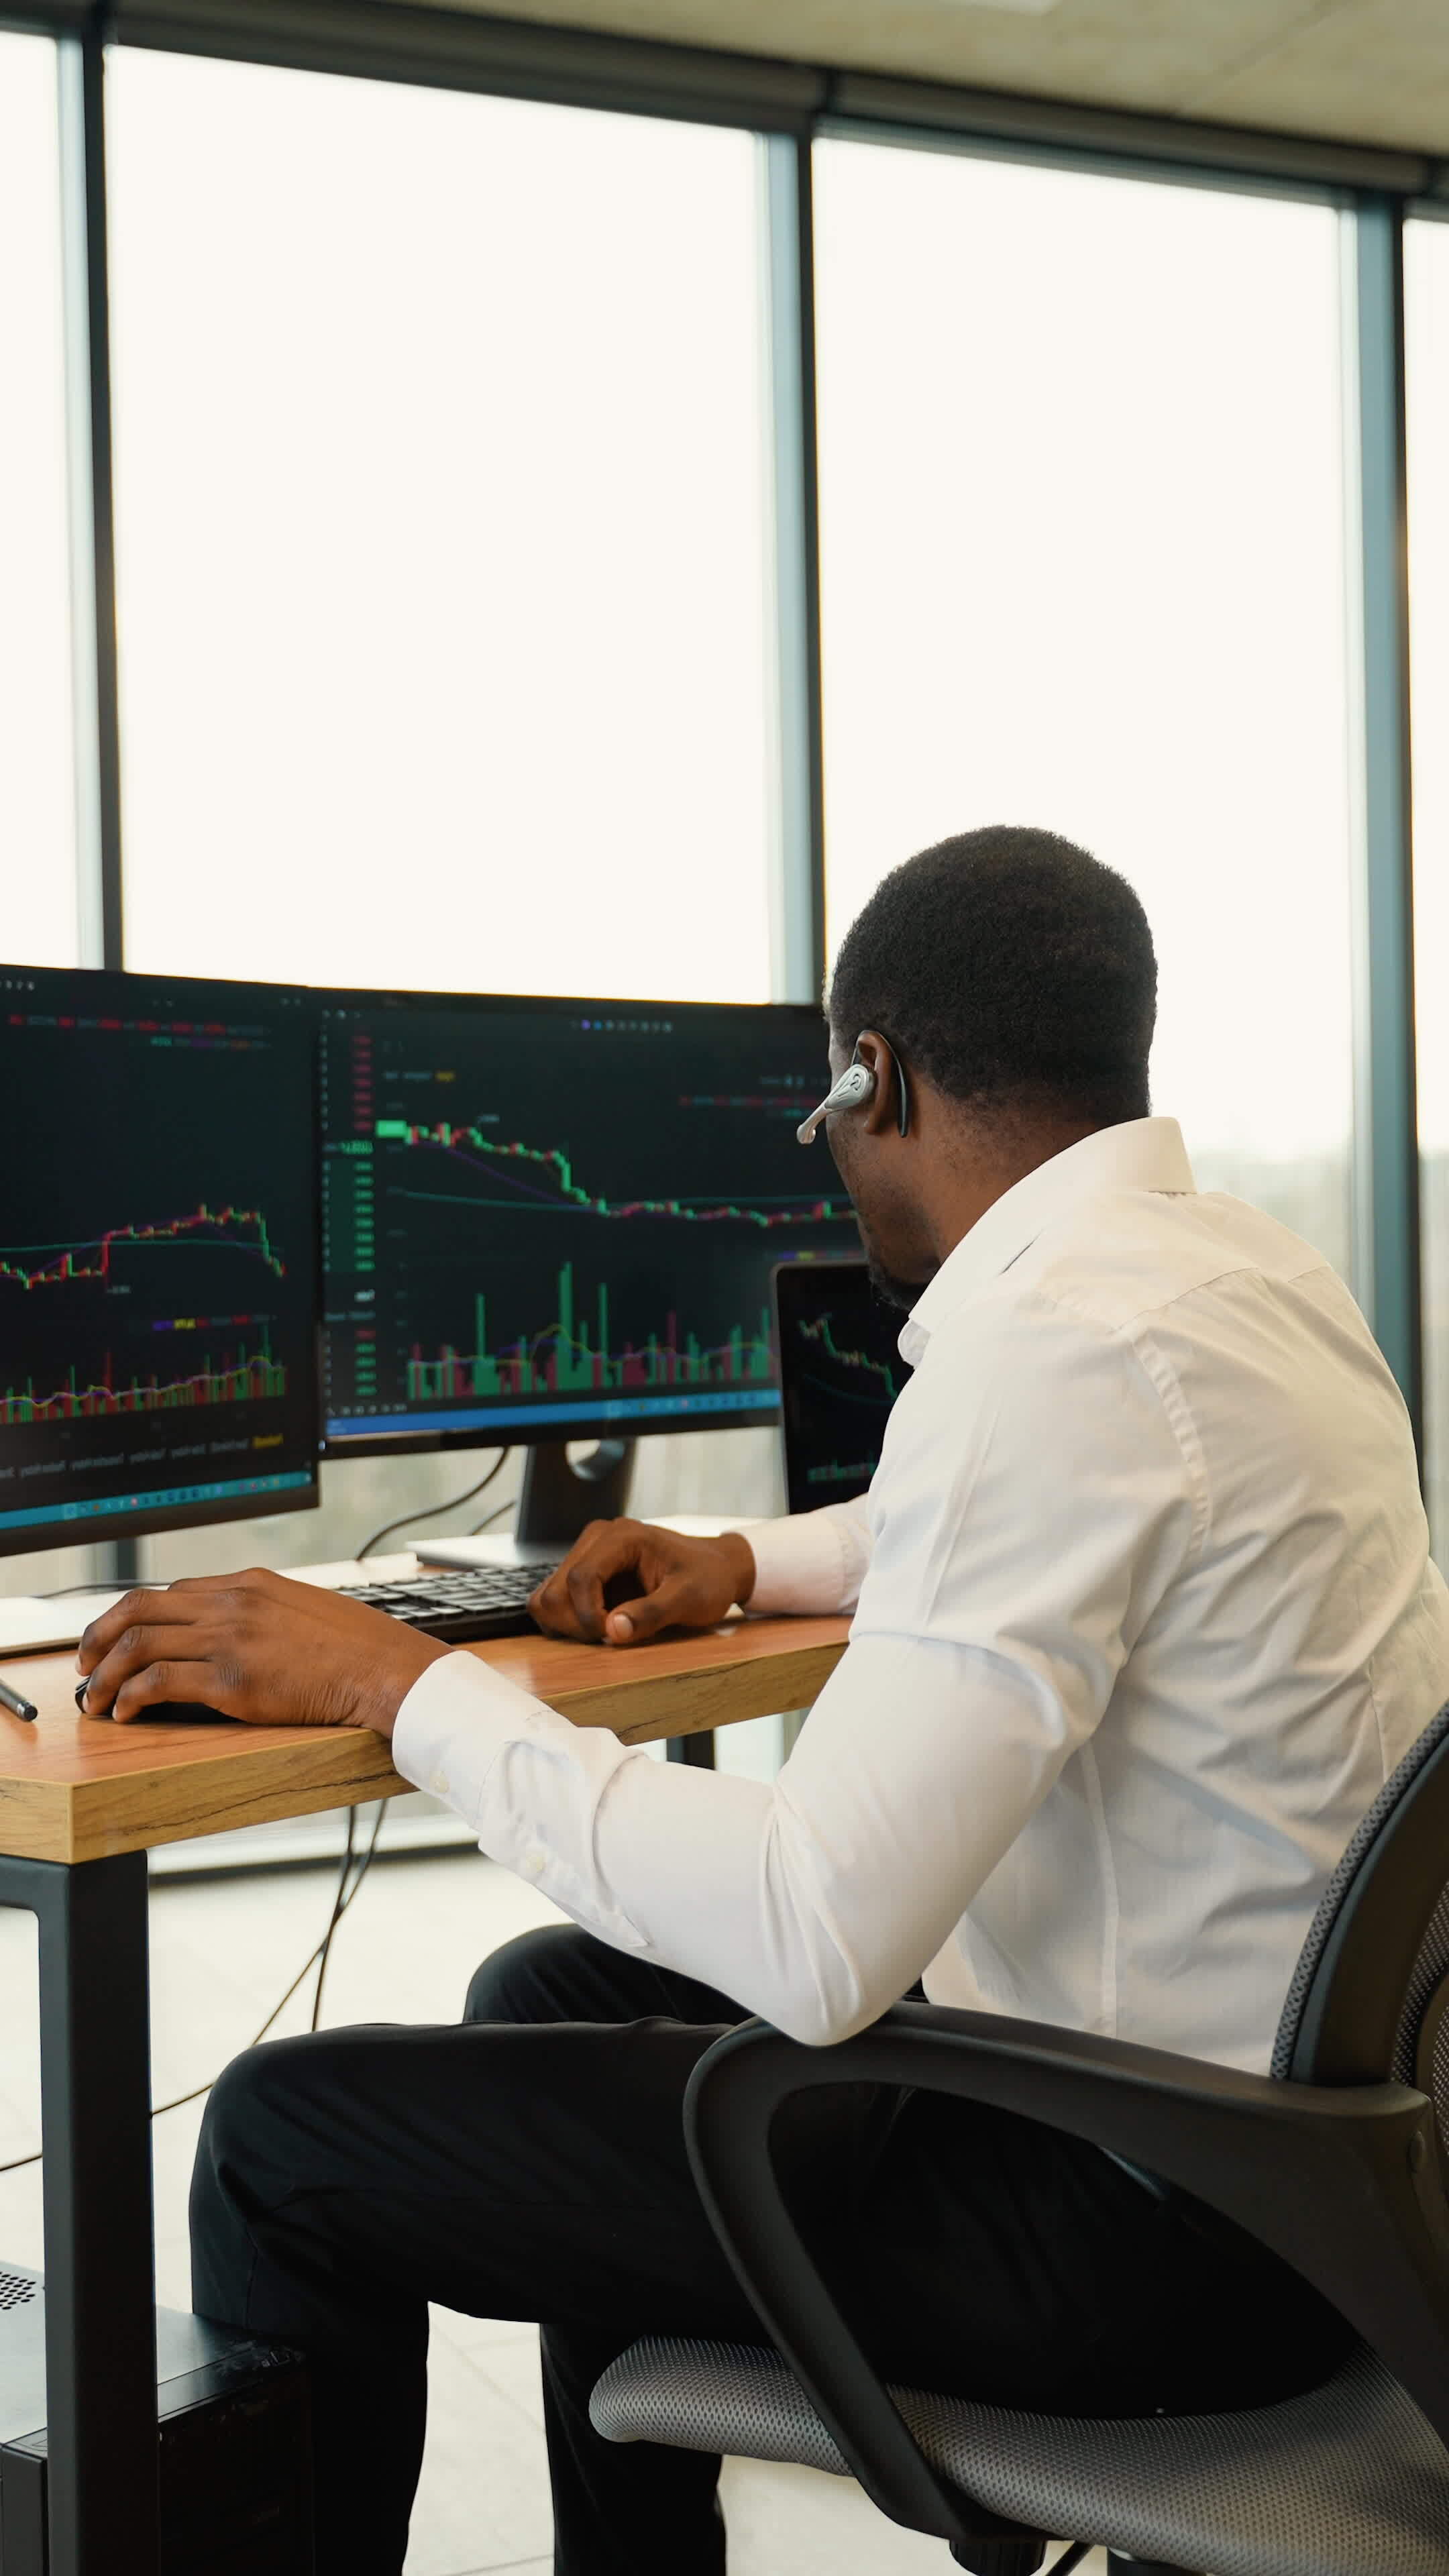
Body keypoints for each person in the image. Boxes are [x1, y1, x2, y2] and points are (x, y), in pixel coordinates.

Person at [78, 826, 1449, 2576]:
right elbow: (993, 1532)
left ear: (872, 1072)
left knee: (282, 2140)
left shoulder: (1052, 1347)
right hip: (1306, 2179)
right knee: (543, 1993)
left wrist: (403, 1681)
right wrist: (747, 1559)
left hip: (1140, 2233)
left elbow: (819, 1937)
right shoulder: (1240, 1278)